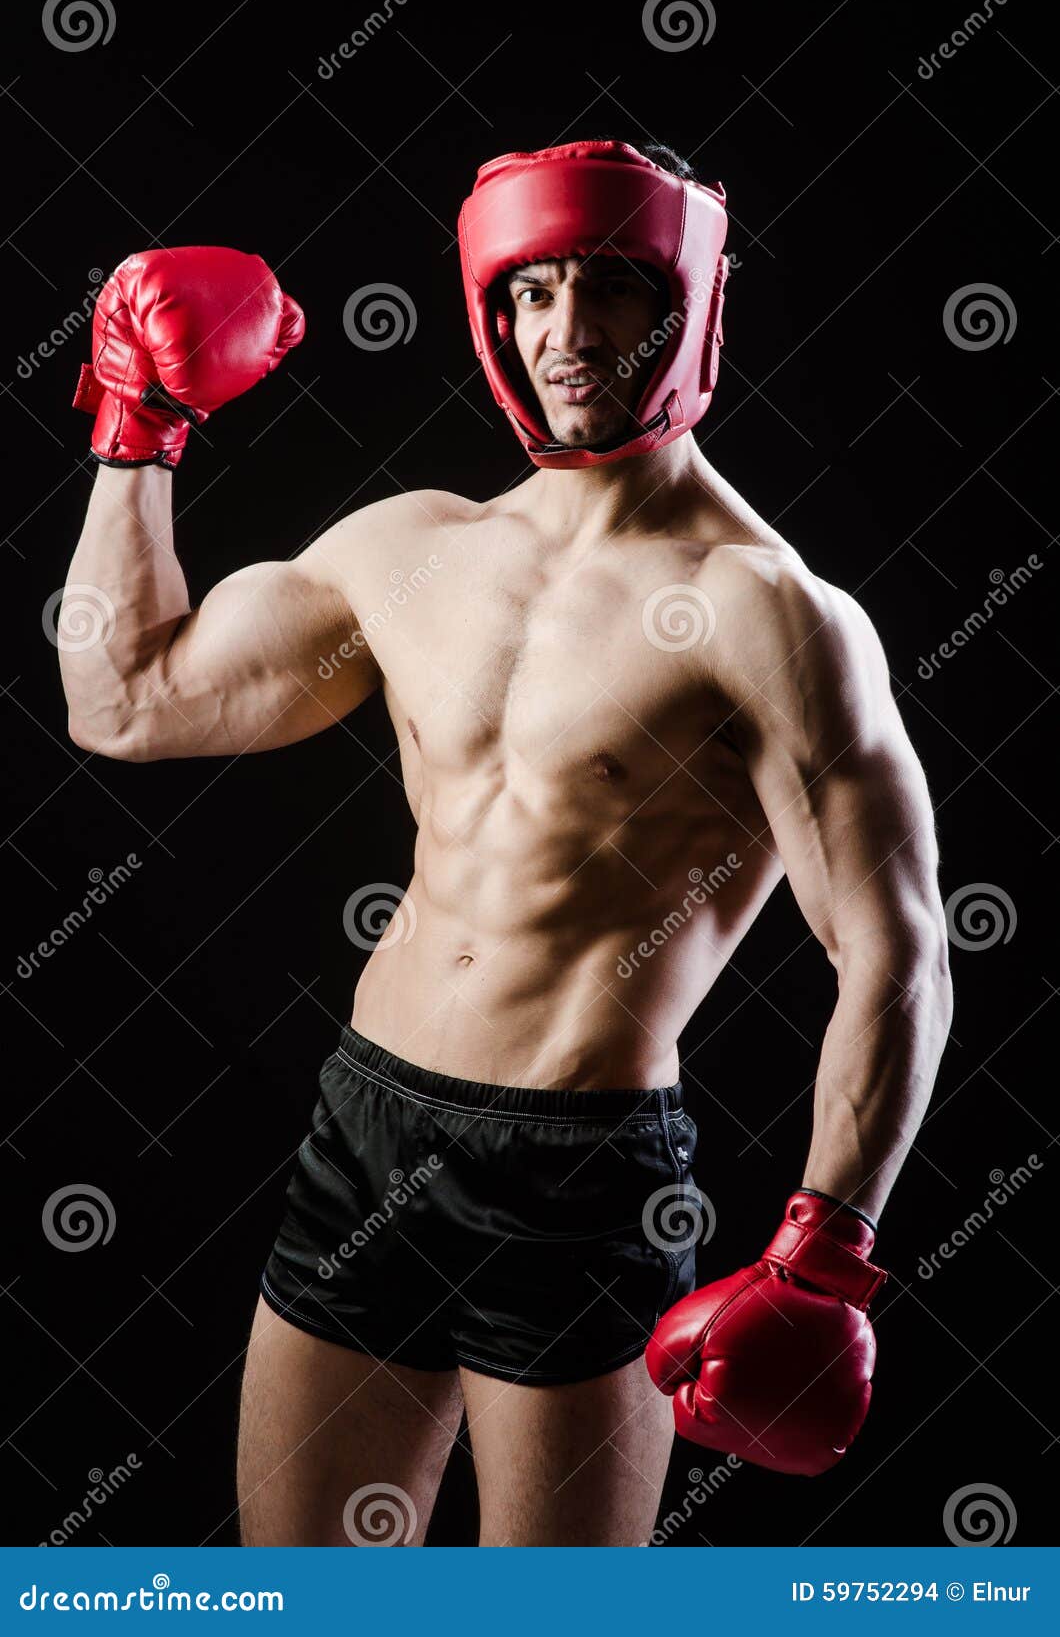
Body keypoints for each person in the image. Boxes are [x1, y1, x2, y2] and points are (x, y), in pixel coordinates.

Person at [59, 140, 953, 1546]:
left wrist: (828, 1249)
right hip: (366, 1128)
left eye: (610, 288)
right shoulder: (419, 546)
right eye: (531, 291)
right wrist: (137, 424)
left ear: (689, 307)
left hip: (580, 1170)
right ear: (490, 310)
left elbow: (896, 949)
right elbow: (125, 701)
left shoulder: (765, 611)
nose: (567, 331)